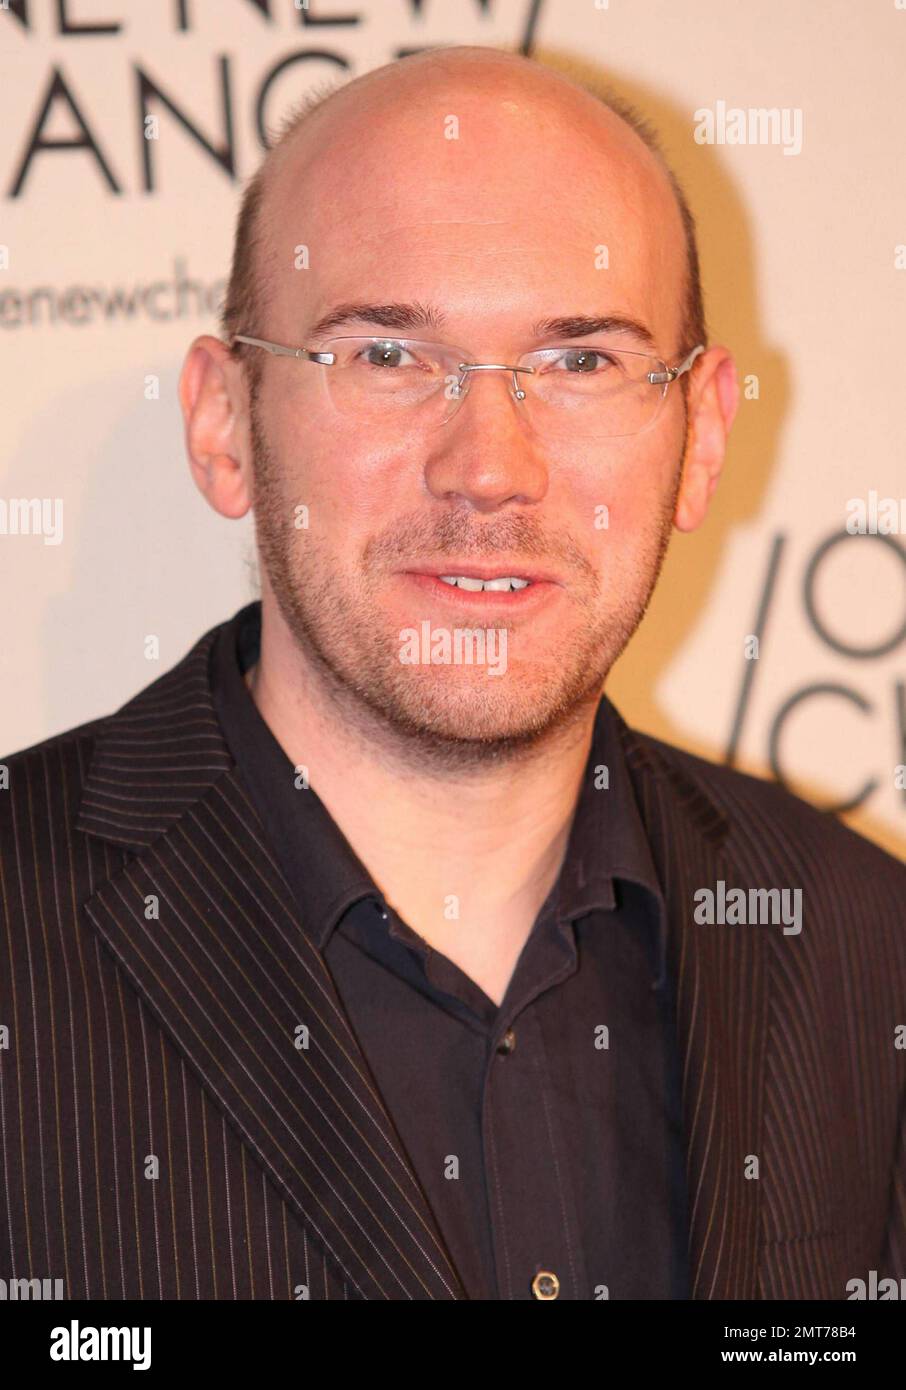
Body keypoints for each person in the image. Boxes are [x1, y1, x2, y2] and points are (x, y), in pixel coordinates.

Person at [1, 45, 903, 1302]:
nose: (488, 468)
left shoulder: (861, 940)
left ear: (701, 435)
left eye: (580, 362)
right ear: (223, 423)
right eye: (388, 356)